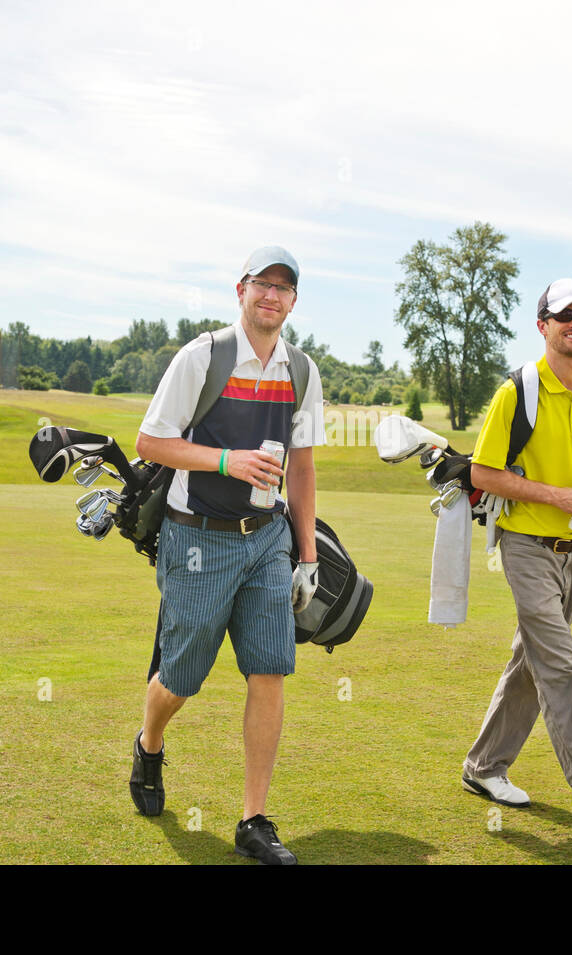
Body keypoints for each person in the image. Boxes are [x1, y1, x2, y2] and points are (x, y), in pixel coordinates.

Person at [131, 245, 325, 865]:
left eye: (284, 289)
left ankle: (254, 820)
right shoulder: (203, 356)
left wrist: (307, 553)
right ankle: (150, 742)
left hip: (266, 538)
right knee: (182, 676)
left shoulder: (301, 371)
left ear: (294, 301)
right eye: (262, 285)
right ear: (241, 290)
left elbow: (302, 465)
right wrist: (225, 460)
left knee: (269, 669)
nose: (272, 296)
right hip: (197, 538)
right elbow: (150, 442)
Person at [461, 277, 572, 840]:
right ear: (543, 325)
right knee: (559, 668)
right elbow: (482, 473)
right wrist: (558, 495)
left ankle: (484, 767)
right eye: (564, 316)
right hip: (526, 548)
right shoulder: (518, 392)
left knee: (529, 666)